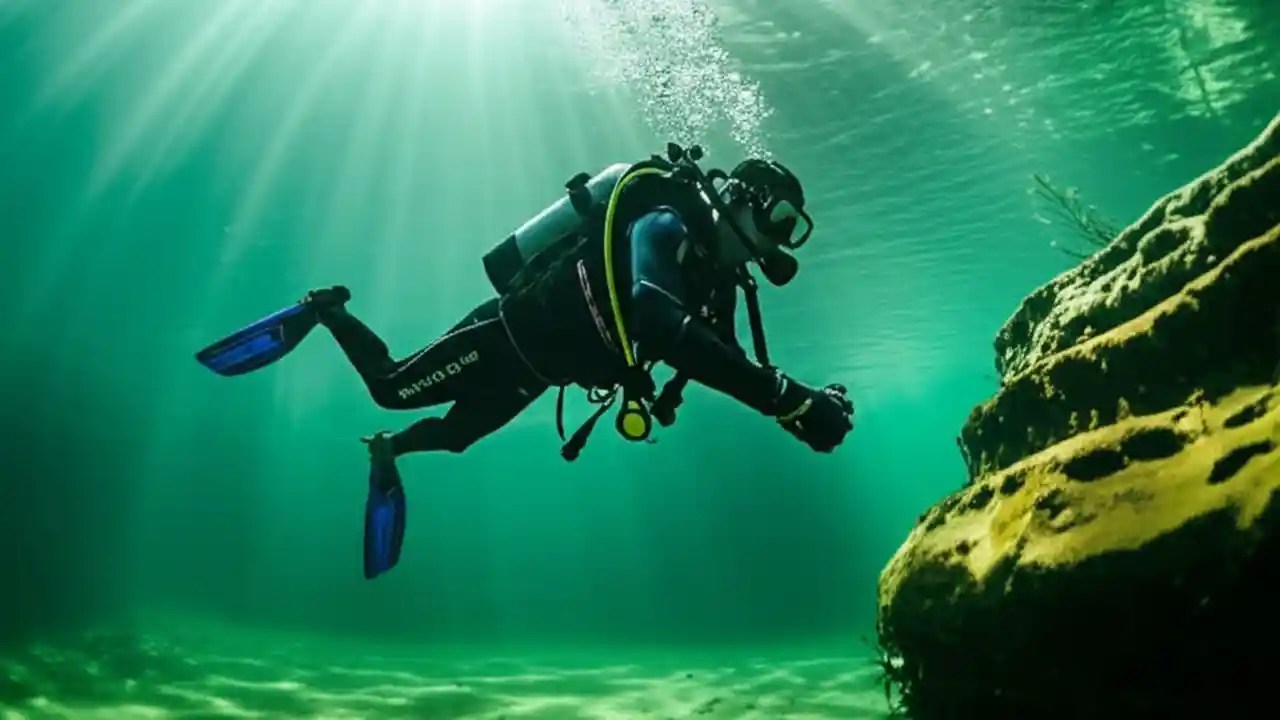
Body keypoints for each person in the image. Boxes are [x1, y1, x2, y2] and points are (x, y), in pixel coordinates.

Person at [195, 142, 854, 577]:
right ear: (740, 199)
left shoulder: (712, 280)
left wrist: (796, 407)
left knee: (454, 439)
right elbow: (653, 314)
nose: (778, 244)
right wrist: (787, 397)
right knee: (393, 386)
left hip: (541, 374)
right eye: (781, 220)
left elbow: (724, 359)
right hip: (505, 336)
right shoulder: (667, 222)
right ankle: (324, 309)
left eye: (792, 232)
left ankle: (388, 453)